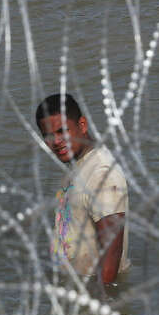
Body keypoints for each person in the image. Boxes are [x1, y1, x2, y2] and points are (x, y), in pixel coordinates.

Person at [36, 93, 129, 285]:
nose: (56, 141)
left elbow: (112, 252)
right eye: (48, 136)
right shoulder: (78, 167)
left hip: (92, 292)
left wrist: (97, 306)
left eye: (63, 131)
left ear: (83, 125)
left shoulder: (102, 173)